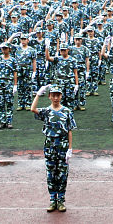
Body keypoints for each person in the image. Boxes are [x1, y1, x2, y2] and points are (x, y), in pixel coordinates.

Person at [31, 84, 76, 212]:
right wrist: (38, 94)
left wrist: (70, 149)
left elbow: (69, 131)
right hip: (50, 144)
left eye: (58, 95)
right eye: (53, 95)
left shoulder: (67, 111)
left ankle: (61, 200)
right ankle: (52, 200)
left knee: (62, 173)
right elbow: (33, 109)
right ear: (50, 96)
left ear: (61, 96)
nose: (56, 98)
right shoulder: (47, 111)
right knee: (51, 173)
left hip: (62, 144)